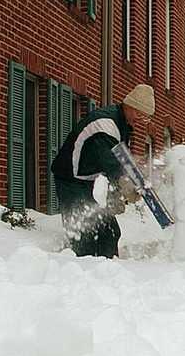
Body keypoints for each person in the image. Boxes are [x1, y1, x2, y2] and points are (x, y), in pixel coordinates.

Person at [50, 84, 155, 258]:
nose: (140, 119)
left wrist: (120, 191)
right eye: (139, 113)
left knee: (110, 231)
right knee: (84, 233)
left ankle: (110, 269)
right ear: (129, 105)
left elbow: (122, 160)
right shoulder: (106, 125)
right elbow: (111, 163)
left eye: (145, 117)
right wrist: (125, 186)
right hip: (69, 179)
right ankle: (78, 270)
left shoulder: (122, 125)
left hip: (85, 180)